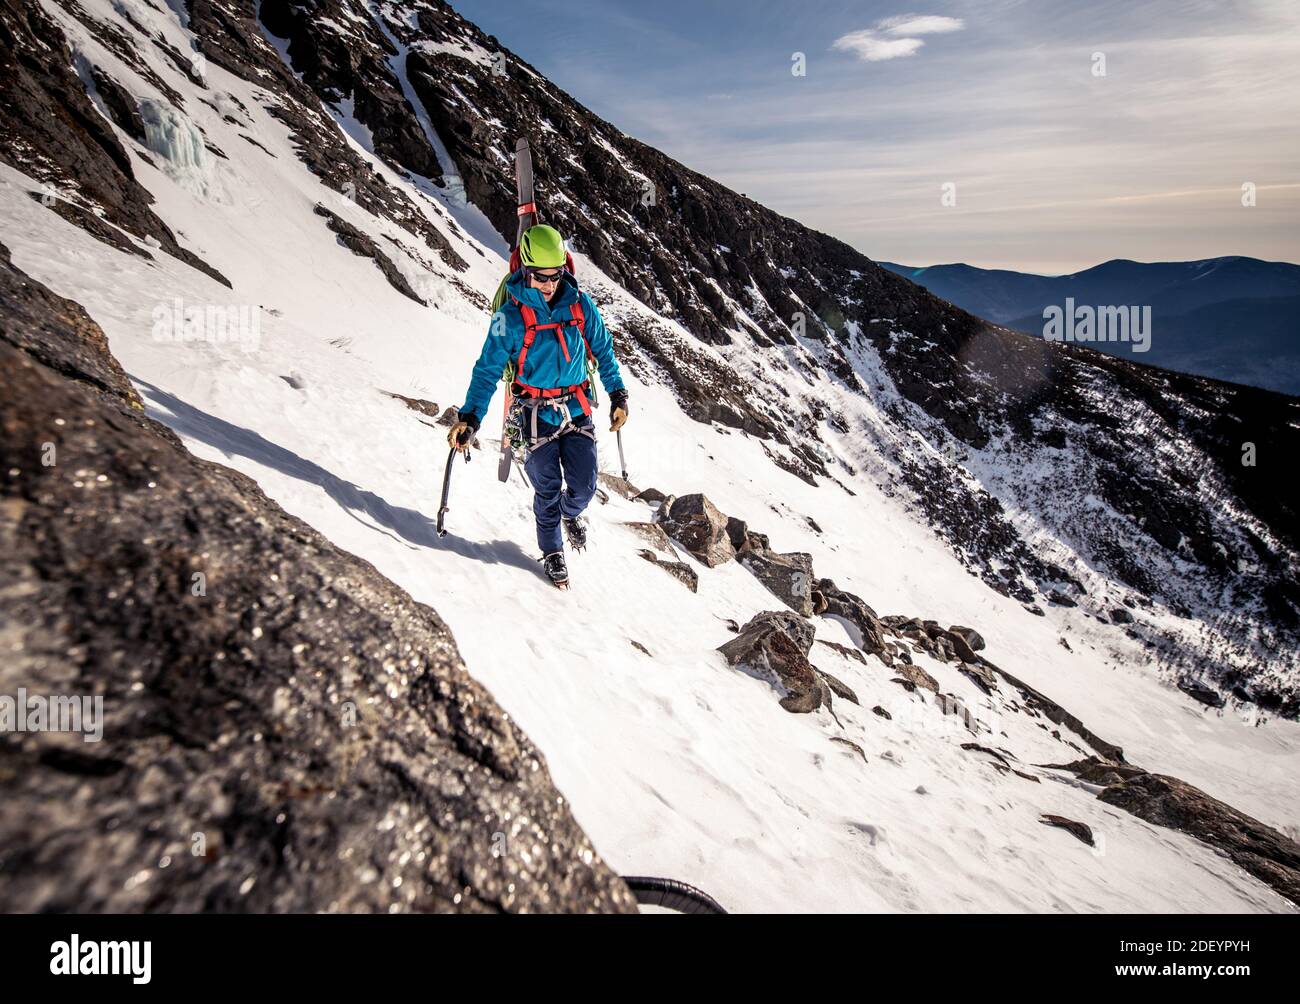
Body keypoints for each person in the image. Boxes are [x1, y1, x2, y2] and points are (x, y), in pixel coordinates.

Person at [448, 224, 628, 587]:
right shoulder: (508, 318)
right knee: (547, 489)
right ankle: (553, 552)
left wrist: (618, 395)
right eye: (540, 277)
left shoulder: (579, 303)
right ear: (525, 270)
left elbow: (603, 349)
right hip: (533, 416)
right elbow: (487, 370)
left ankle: (568, 513)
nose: (549, 285)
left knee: (584, 487)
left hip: (576, 409)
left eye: (556, 276)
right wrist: (470, 418)